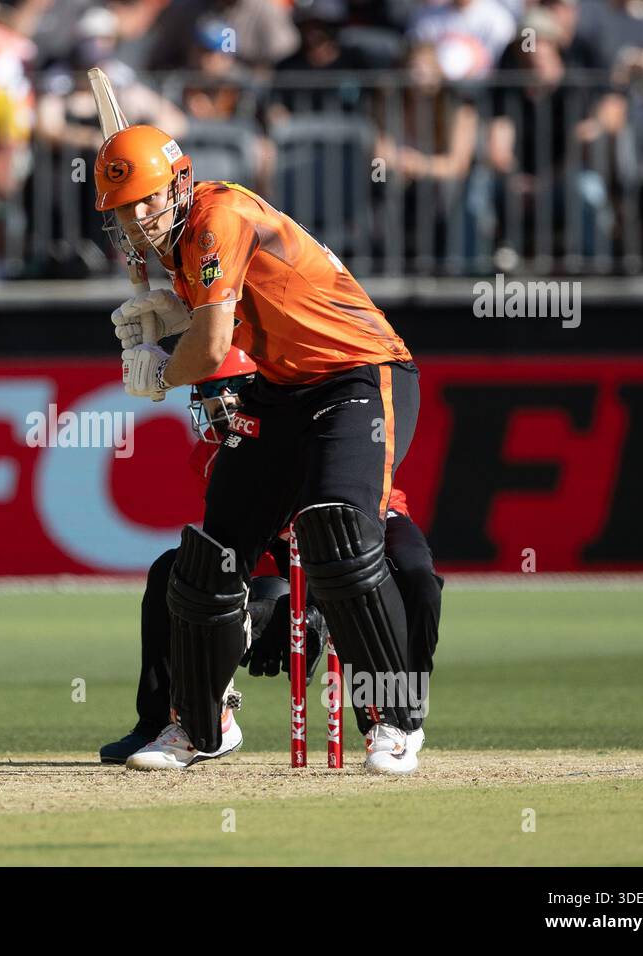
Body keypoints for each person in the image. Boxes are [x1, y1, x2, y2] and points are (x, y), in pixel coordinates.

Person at [97, 124, 425, 773]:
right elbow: (235, 321)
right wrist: (176, 314)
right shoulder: (184, 249)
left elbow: (214, 347)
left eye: (148, 200)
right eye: (125, 209)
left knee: (340, 532)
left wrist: (160, 369)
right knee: (211, 558)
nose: (138, 218)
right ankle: (200, 725)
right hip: (282, 389)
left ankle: (396, 719)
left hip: (358, 371)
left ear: (181, 182)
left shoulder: (220, 216)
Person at [100, 349, 444, 766]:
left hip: (366, 523)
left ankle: (397, 719)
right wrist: (274, 610)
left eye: (227, 388)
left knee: (415, 574)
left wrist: (317, 604)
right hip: (280, 547)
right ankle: (179, 720)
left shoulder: (313, 418)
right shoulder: (214, 453)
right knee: (174, 572)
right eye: (208, 391)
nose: (218, 402)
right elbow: (242, 552)